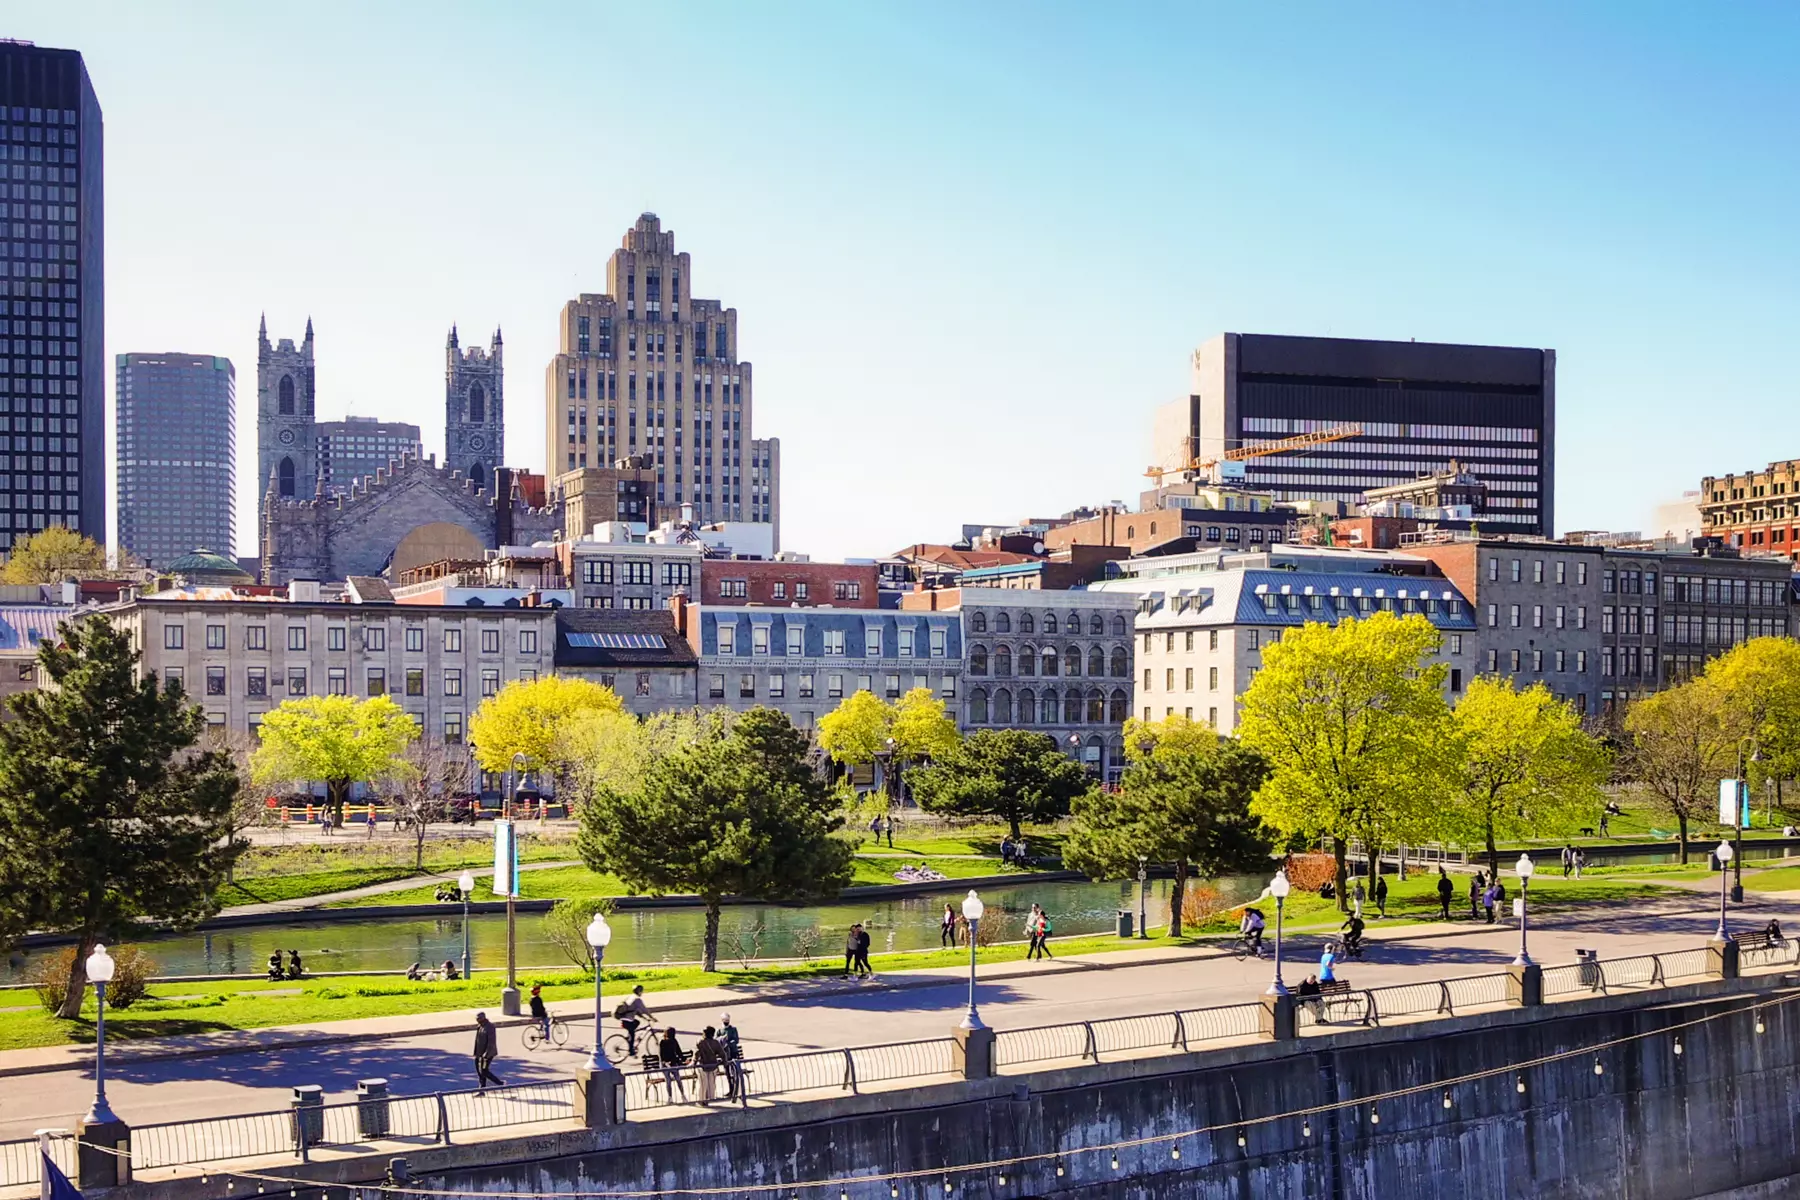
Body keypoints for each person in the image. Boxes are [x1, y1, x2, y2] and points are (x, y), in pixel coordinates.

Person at [616, 984, 653, 1054]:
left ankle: (629, 1037)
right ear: (639, 991)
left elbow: (635, 1011)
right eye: (641, 991)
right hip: (627, 1020)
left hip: (625, 1018)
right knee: (632, 1034)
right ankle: (631, 1050)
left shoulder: (631, 997)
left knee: (637, 1022)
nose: (642, 993)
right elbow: (644, 1009)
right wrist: (652, 1017)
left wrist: (644, 1018)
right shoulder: (637, 999)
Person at [473, 1012, 504, 1093]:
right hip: (479, 1053)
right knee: (479, 1071)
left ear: (483, 1018)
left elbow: (491, 1042)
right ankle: (482, 1090)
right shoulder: (480, 1026)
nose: (477, 1021)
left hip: (488, 1054)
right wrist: (476, 1053)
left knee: (484, 1071)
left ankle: (500, 1083)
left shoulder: (490, 1027)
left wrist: (486, 1055)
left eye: (478, 1019)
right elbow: (477, 1040)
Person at [694, 1025, 724, 1103]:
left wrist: (693, 1063)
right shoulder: (716, 1043)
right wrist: (725, 1062)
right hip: (713, 1066)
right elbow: (722, 1054)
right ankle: (711, 1099)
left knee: (703, 1085)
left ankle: (702, 1100)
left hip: (702, 1066)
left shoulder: (700, 1042)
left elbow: (696, 1054)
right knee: (712, 1084)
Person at [656, 1027, 687, 1100]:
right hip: (664, 1064)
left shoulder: (674, 1041)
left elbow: (678, 1051)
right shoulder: (662, 1042)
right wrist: (665, 1062)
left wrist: (684, 1059)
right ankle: (670, 1097)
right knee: (668, 1080)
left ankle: (683, 1095)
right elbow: (661, 1054)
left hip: (673, 1062)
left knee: (678, 1079)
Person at [720, 1013, 744, 1099]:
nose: (726, 1022)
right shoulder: (720, 1030)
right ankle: (731, 1090)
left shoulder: (733, 1029)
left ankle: (737, 1091)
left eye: (727, 1021)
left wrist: (729, 1043)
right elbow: (717, 1040)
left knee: (735, 1073)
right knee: (728, 1074)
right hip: (725, 1055)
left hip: (733, 1053)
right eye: (724, 1021)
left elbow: (736, 1040)